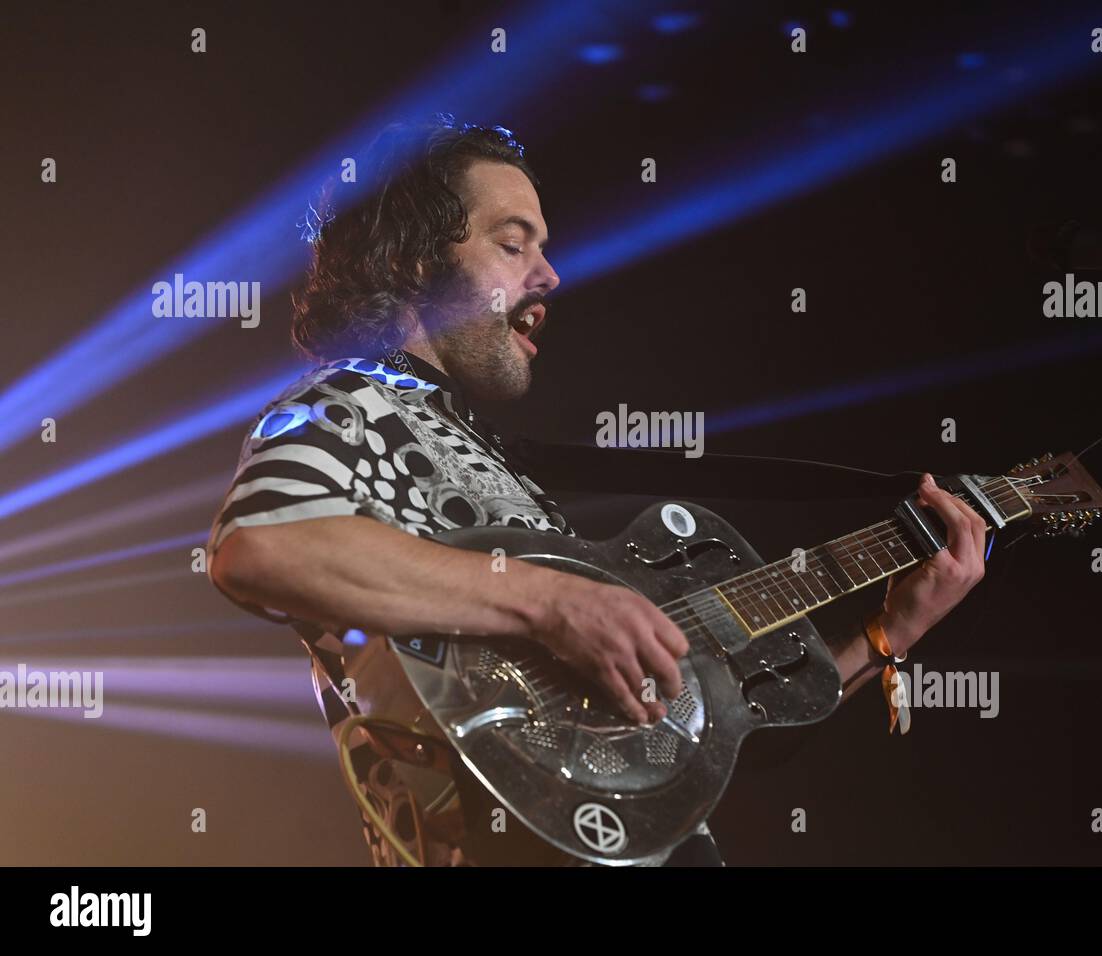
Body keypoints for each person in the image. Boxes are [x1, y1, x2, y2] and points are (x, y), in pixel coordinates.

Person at [206, 115, 988, 866]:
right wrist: (553, 602)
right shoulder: (349, 401)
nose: (548, 275)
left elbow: (680, 740)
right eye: (513, 245)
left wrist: (888, 635)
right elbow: (263, 545)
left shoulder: (492, 464)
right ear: (413, 259)